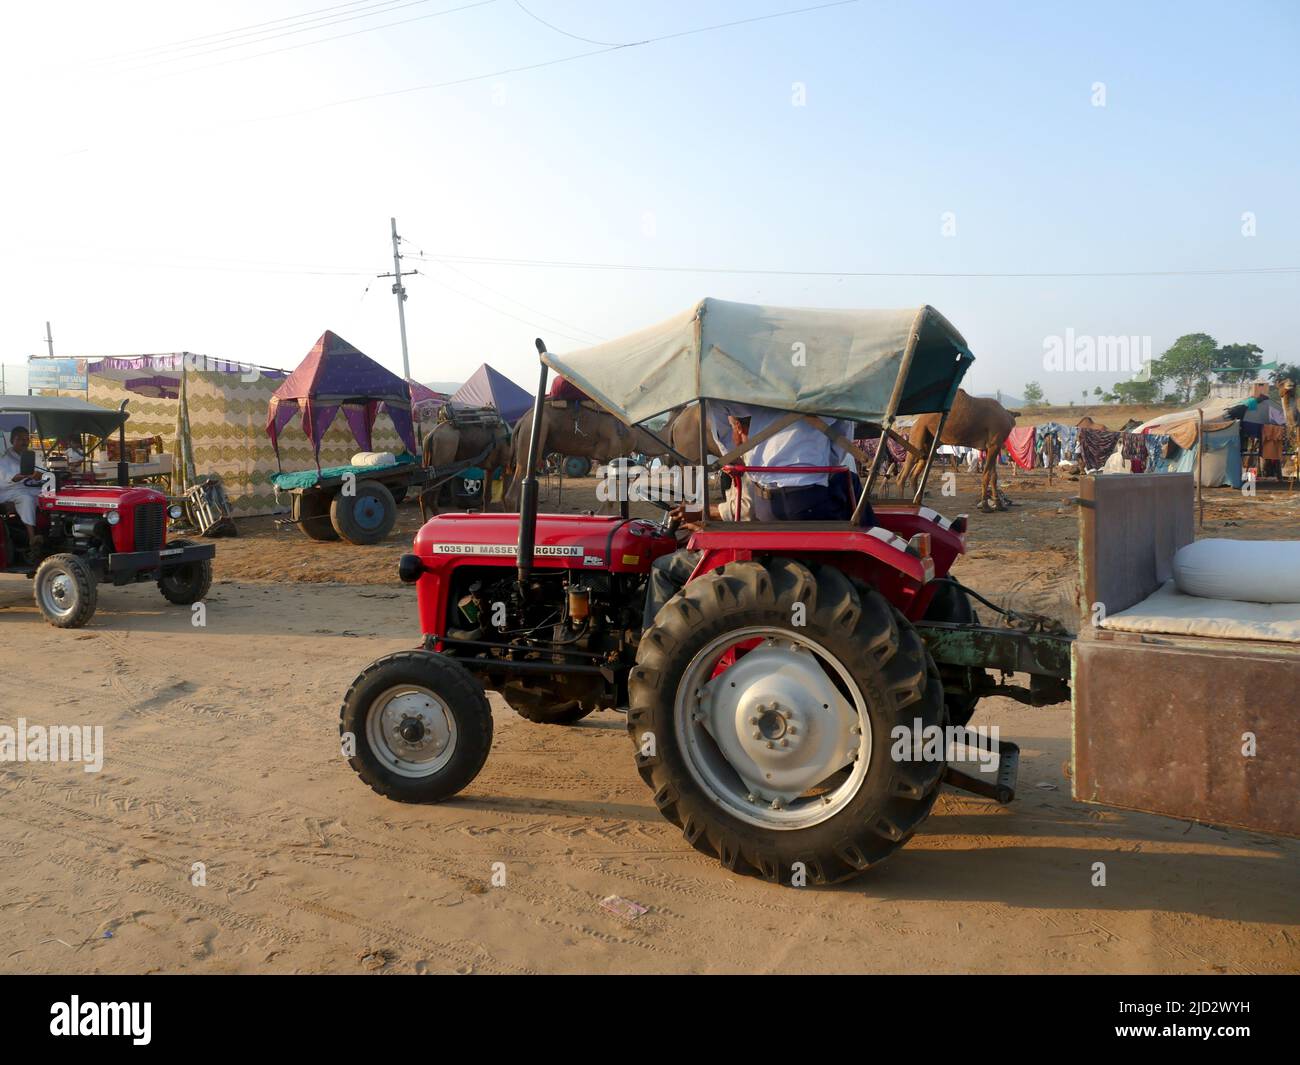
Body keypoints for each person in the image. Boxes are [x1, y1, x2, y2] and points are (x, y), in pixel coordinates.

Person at [0, 426, 43, 551]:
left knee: (47, 497)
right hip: (9, 491)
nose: (24, 442)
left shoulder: (31, 456)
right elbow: (4, 479)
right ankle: (32, 537)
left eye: (26, 439)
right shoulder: (4, 459)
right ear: (12, 440)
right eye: (20, 439)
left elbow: (41, 471)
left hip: (30, 488)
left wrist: (38, 475)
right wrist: (18, 477)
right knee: (26, 499)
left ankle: (49, 531)